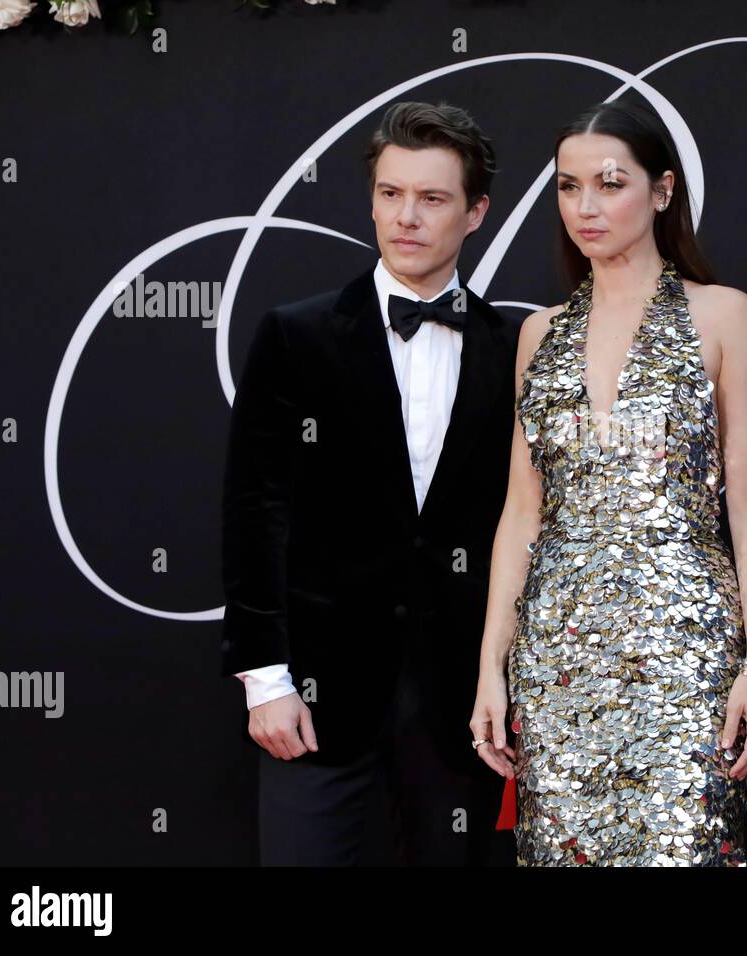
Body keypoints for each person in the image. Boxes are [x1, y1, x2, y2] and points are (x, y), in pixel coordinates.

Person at [469, 99, 747, 866]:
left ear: (662, 190)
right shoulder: (539, 333)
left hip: (687, 651)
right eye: (568, 187)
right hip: (557, 657)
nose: (586, 206)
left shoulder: (725, 317)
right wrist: (490, 667)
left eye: (610, 184)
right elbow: (521, 512)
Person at [221, 101, 519, 865]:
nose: (407, 217)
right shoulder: (296, 335)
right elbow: (256, 510)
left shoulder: (515, 350)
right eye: (391, 194)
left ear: (476, 211)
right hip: (319, 695)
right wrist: (264, 678)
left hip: (465, 706)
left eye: (432, 198)